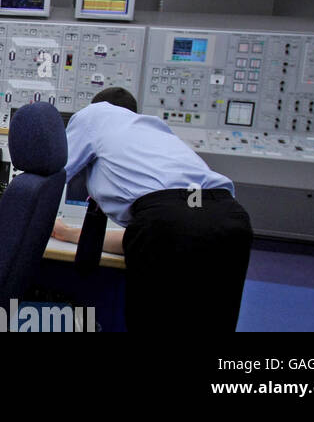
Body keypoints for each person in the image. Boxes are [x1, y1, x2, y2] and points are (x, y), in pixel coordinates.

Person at [52, 87, 253, 332]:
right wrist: (70, 233)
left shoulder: (97, 113)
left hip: (169, 220)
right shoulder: (156, 134)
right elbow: (159, 226)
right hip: (229, 216)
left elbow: (53, 172)